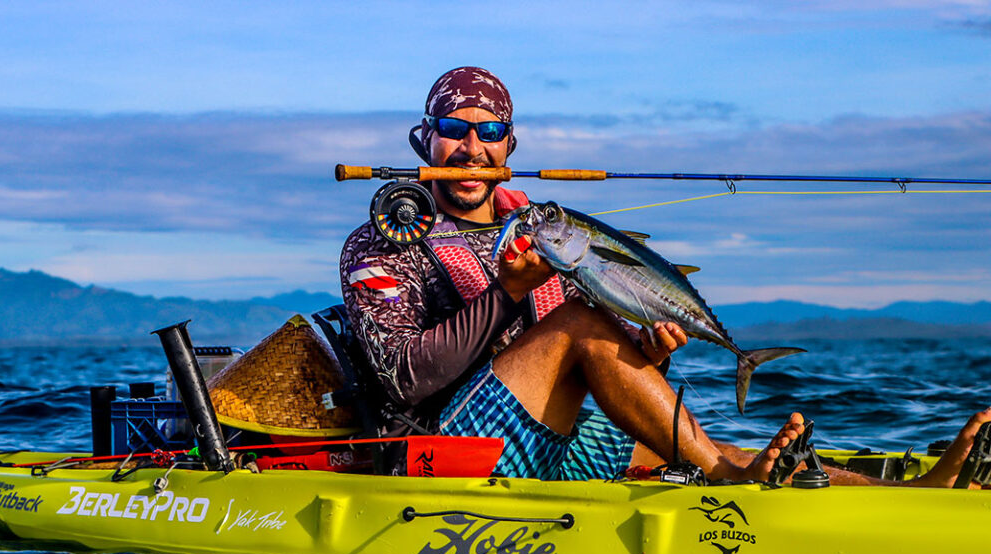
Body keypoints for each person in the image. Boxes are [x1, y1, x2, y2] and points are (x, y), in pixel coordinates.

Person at [339, 65, 990, 487]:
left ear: (511, 146)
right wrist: (508, 294)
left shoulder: (541, 235)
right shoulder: (384, 243)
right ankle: (730, 483)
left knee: (704, 446)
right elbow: (404, 376)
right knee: (582, 329)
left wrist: (652, 354)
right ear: (424, 140)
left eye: (490, 133)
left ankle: (905, 494)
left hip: (540, 441)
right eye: (454, 131)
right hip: (435, 460)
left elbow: (590, 364)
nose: (471, 148)